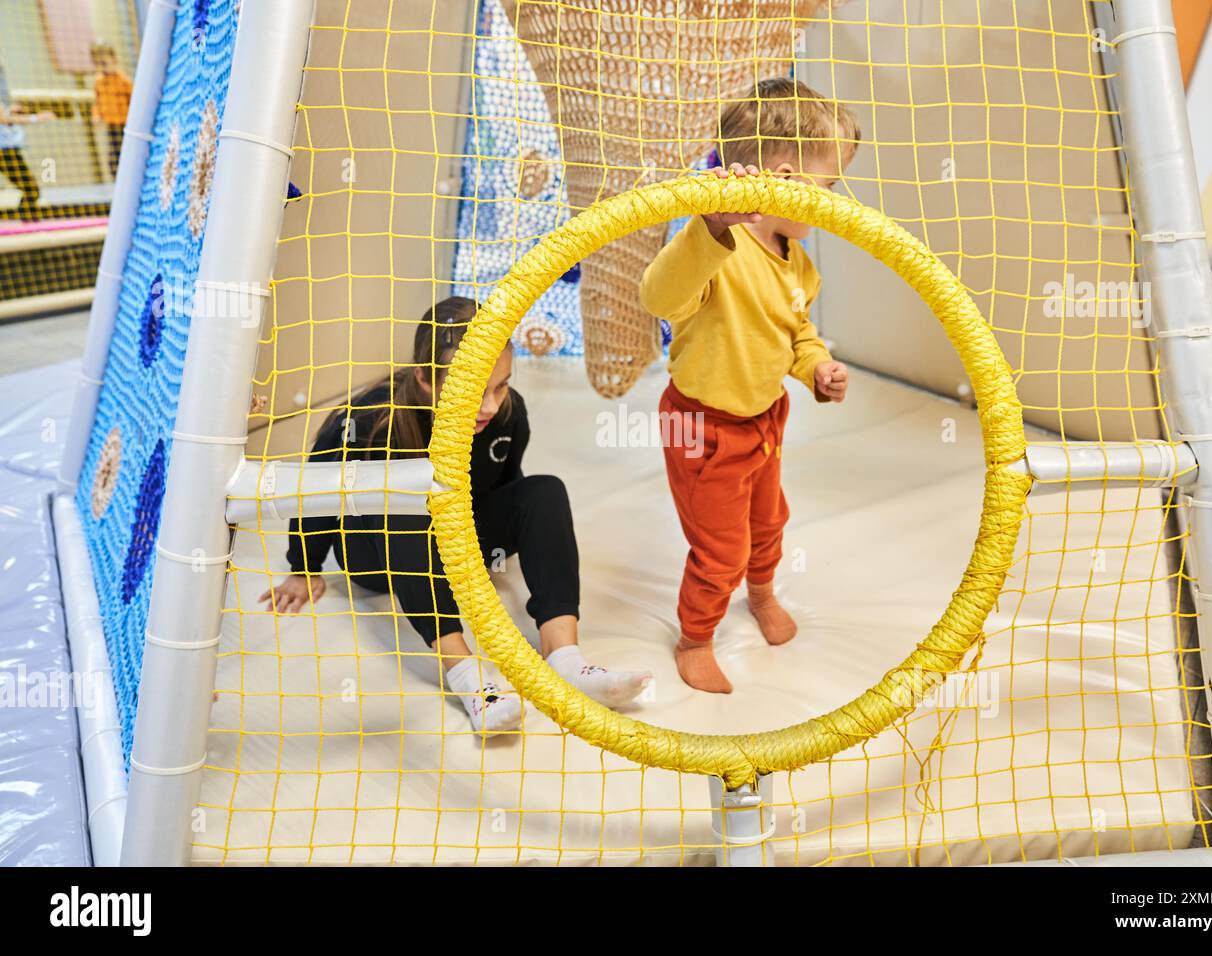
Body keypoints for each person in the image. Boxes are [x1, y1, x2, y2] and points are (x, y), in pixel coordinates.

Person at [260, 297, 652, 732]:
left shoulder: (506, 412)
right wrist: (304, 566)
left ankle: (566, 660)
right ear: (426, 379)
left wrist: (503, 547)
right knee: (405, 496)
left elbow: (507, 487)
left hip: (455, 540)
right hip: (379, 552)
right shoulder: (370, 418)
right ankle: (469, 680)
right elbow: (317, 487)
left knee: (545, 492)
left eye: (501, 386)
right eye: (473, 390)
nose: (489, 406)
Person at [639, 77, 859, 694]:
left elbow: (796, 333)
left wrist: (816, 367)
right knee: (720, 546)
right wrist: (707, 231)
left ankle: (761, 594)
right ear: (785, 178)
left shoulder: (799, 261)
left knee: (769, 522)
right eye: (829, 187)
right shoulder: (716, 243)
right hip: (701, 424)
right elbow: (661, 296)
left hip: (765, 419)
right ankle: (696, 638)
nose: (834, 202)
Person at [0, 63, 53, 221]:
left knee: (31, 189)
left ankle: (28, 222)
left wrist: (11, 109)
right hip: (3, 151)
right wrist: (37, 118)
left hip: (9, 149)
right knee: (31, 189)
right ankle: (27, 224)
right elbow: (4, 119)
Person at [91, 43, 132, 176]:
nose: (101, 67)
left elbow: (133, 100)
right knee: (114, 154)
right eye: (98, 64)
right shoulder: (99, 82)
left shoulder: (124, 81)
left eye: (104, 63)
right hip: (111, 123)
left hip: (125, 122)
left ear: (113, 60)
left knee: (126, 150)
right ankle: (117, 178)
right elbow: (97, 102)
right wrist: (97, 115)